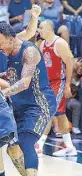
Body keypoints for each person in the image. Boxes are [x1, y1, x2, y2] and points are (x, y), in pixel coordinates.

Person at [0, 22, 57, 176]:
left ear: (11, 38)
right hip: (21, 107)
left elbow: (24, 82)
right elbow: (14, 75)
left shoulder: (29, 52)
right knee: (13, 147)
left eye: (0, 43)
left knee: (26, 142)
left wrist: (3, 94)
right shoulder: (10, 53)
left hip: (39, 105)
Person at [35, 20, 77, 157]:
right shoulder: (42, 44)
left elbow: (70, 64)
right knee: (60, 114)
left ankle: (39, 145)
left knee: (48, 111)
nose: (38, 30)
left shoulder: (59, 43)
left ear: (49, 29)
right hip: (48, 83)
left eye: (40, 27)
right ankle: (70, 147)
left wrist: (67, 85)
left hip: (59, 82)